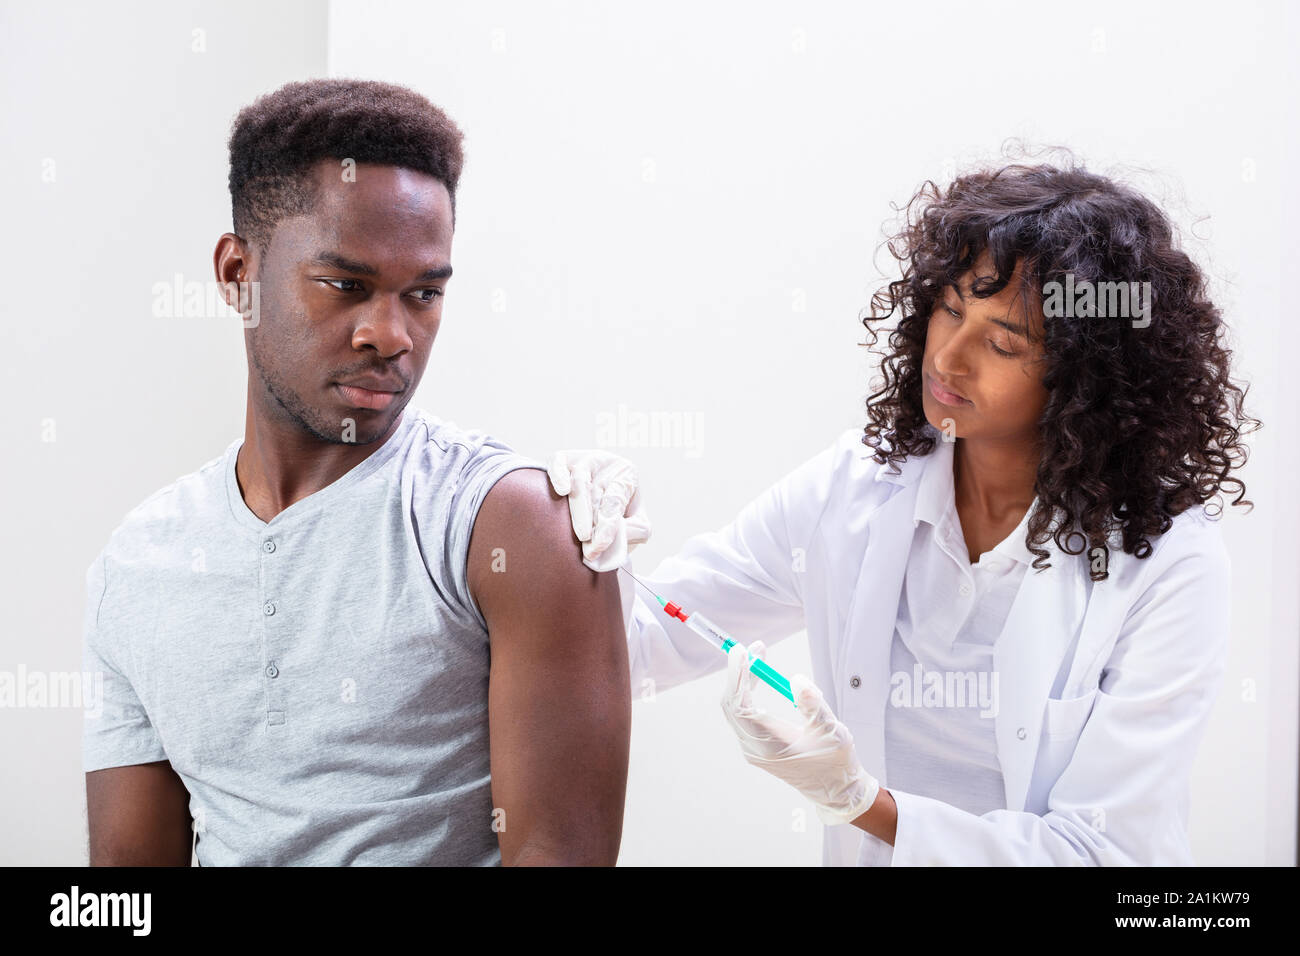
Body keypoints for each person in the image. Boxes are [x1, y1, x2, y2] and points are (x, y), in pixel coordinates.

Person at [549, 159, 1258, 865]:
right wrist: (572, 545)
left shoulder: (1168, 564)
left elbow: (1100, 855)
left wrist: (862, 804)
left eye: (1002, 342)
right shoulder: (854, 490)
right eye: (951, 309)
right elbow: (642, 642)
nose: (948, 358)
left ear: (1088, 377)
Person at [81, 78, 630, 866]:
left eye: (424, 294)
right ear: (238, 273)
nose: (390, 334)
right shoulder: (136, 566)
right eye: (347, 286)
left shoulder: (512, 526)